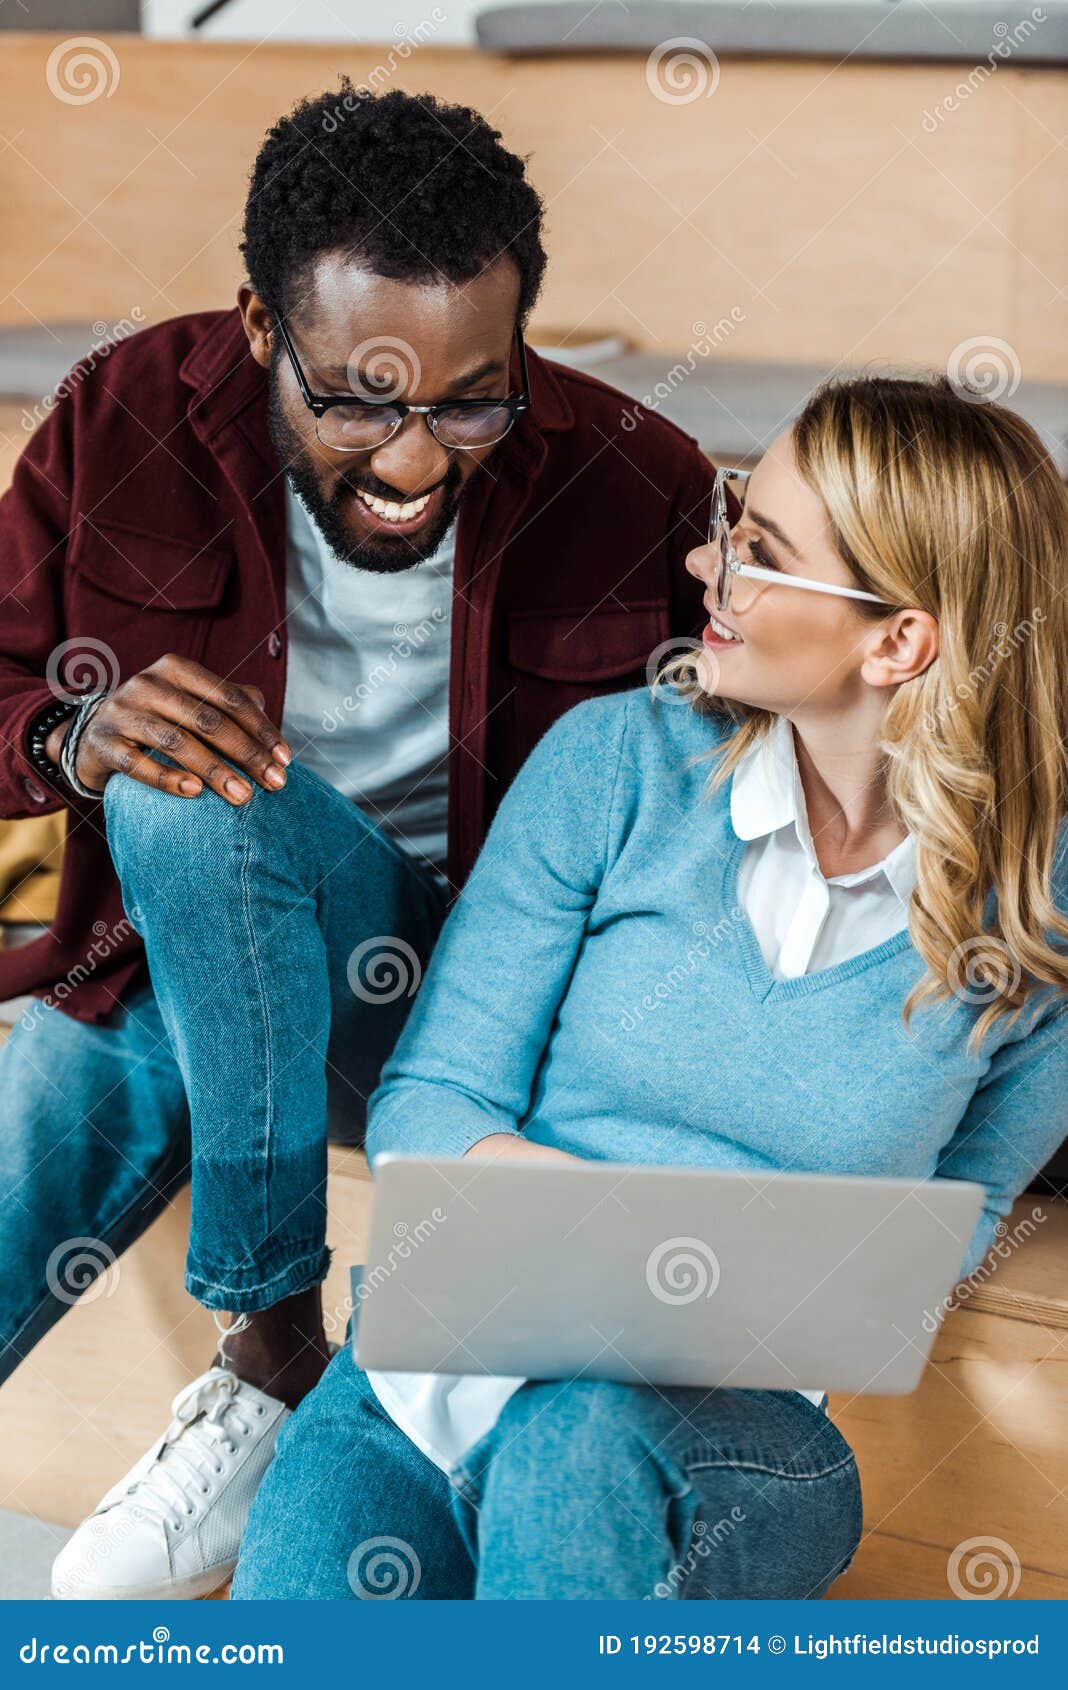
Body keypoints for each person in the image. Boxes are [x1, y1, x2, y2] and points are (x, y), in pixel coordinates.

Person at [0, 83, 714, 1600]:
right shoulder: (124, 417)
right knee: (154, 834)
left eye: (470, 399)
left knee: (188, 799)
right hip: (171, 979)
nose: (412, 461)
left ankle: (268, 1364)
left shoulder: (636, 476)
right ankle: (271, 1359)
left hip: (454, 1018)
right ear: (263, 330)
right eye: (359, 401)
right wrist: (72, 734)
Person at [230, 373, 1068, 1600]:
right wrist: (593, 1232)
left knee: (574, 1440)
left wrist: (707, 1291)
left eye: (760, 553)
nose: (702, 565)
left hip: (731, 1445)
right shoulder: (614, 768)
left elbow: (957, 1225)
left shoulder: (1038, 920)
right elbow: (429, 1097)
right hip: (427, 1389)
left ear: (899, 640)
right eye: (733, 522)